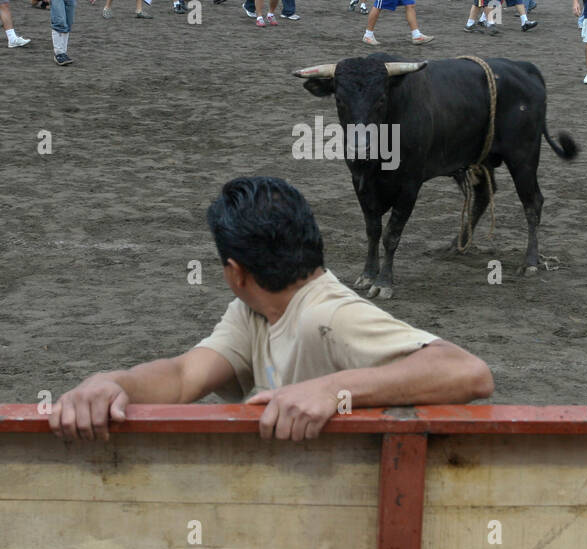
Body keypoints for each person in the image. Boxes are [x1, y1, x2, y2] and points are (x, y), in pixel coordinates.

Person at [49, 176, 492, 442]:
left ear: (235, 272)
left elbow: (468, 372)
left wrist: (331, 390)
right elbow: (184, 376)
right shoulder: (255, 312)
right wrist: (109, 383)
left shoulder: (329, 313)